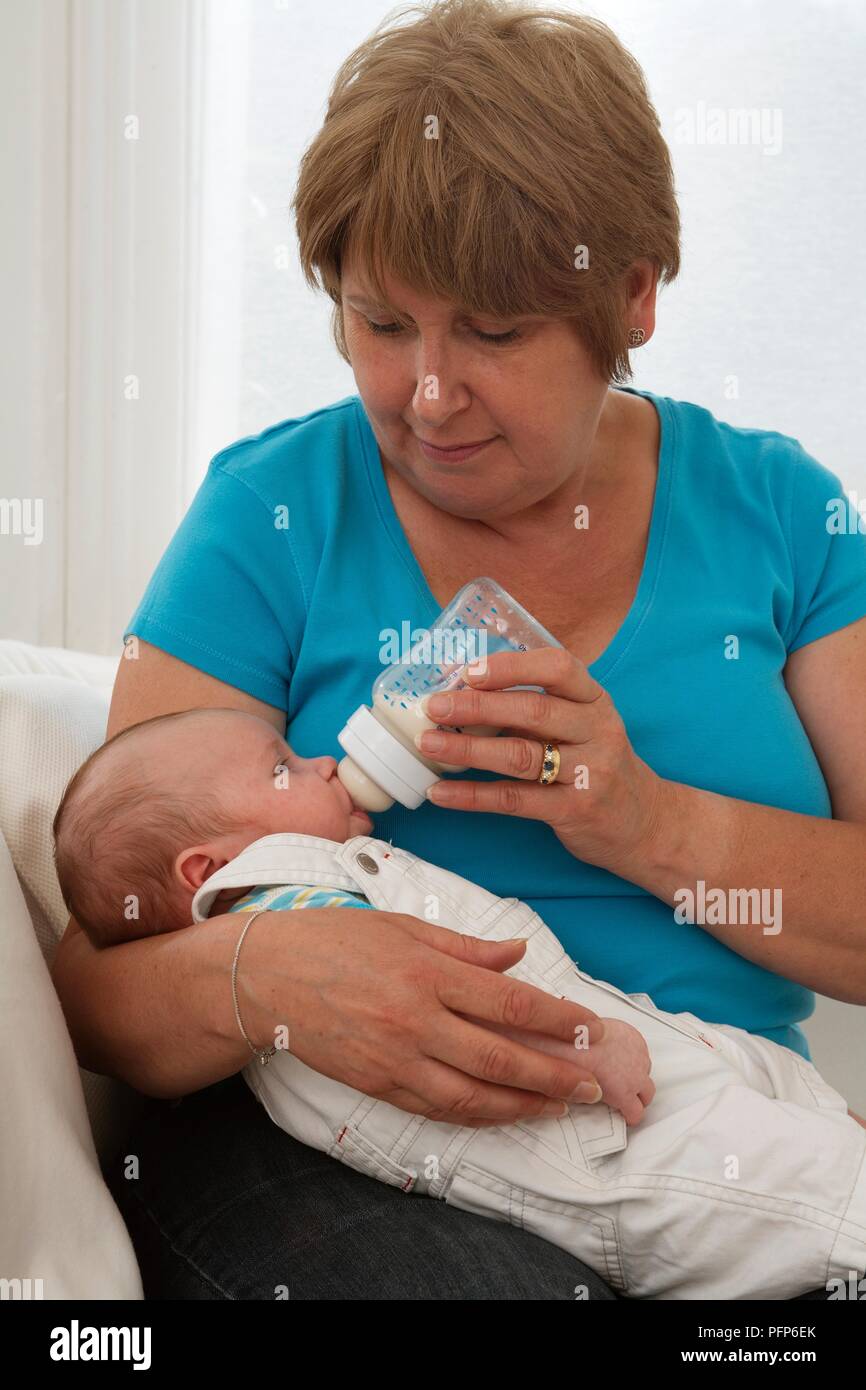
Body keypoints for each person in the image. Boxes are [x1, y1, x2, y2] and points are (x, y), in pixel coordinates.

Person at [51, 0, 866, 1299]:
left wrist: (648, 823)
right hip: (325, 1135)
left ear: (635, 292)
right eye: (380, 323)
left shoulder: (778, 514)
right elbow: (90, 983)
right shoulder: (271, 515)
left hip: (692, 1123)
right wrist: (269, 973)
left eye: (489, 333)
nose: (427, 392)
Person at [52, 707, 866, 1299]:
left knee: (805, 1155)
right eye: (282, 770)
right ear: (204, 871)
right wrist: (580, 1047)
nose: (323, 763)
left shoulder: (309, 886)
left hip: (652, 1066)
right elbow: (450, 1013)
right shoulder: (285, 902)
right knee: (805, 1197)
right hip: (596, 1125)